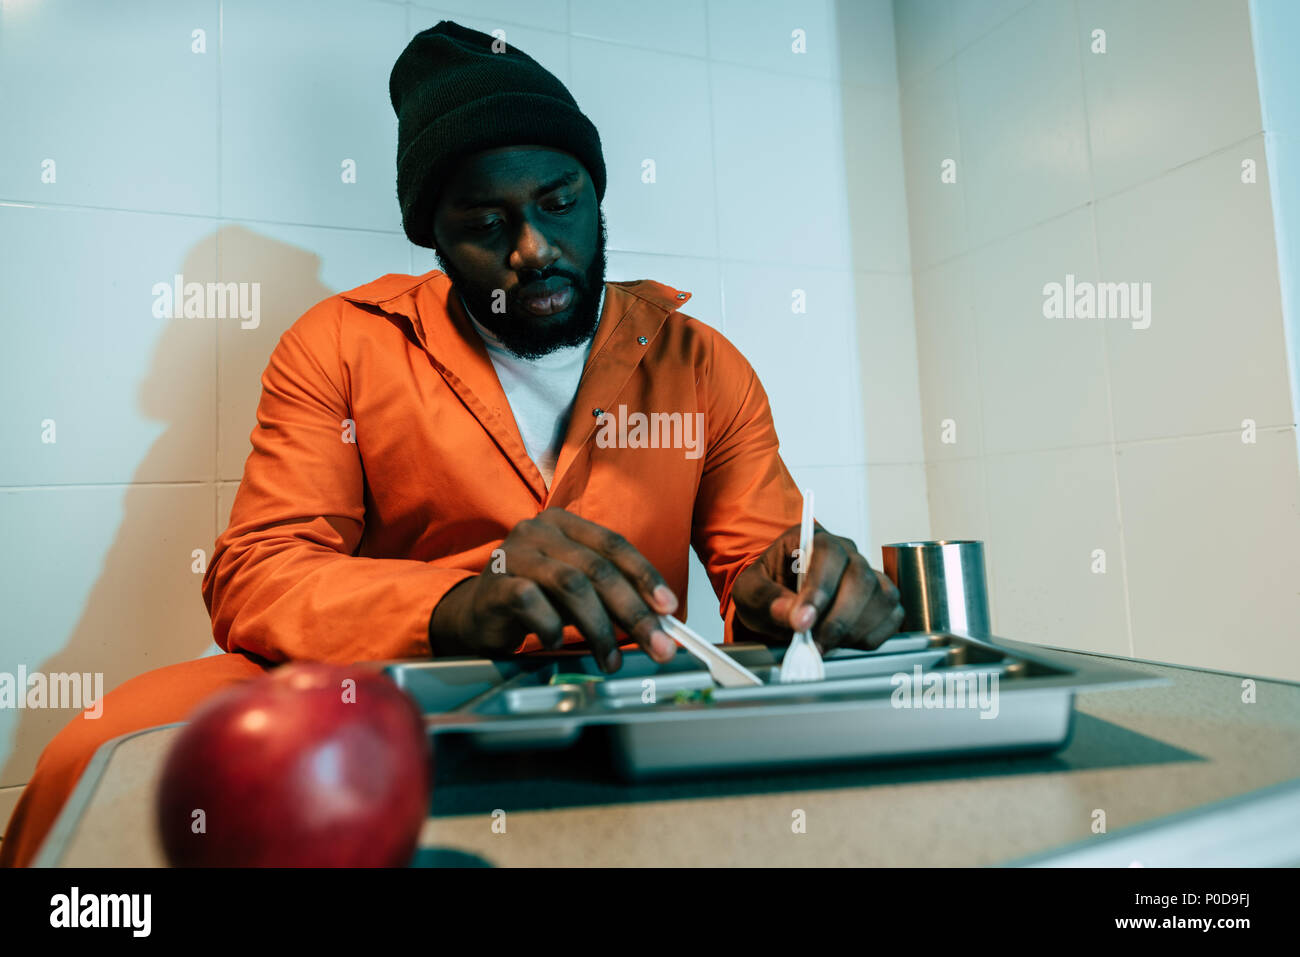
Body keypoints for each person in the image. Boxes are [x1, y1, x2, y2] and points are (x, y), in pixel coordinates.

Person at [0, 20, 902, 868]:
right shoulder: (342, 343)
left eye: (561, 201)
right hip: (387, 707)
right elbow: (259, 571)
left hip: (614, 708)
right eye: (485, 224)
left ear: (596, 192)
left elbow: (760, 574)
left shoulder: (700, 364)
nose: (535, 249)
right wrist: (461, 603)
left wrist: (794, 588)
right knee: (93, 745)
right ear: (433, 235)